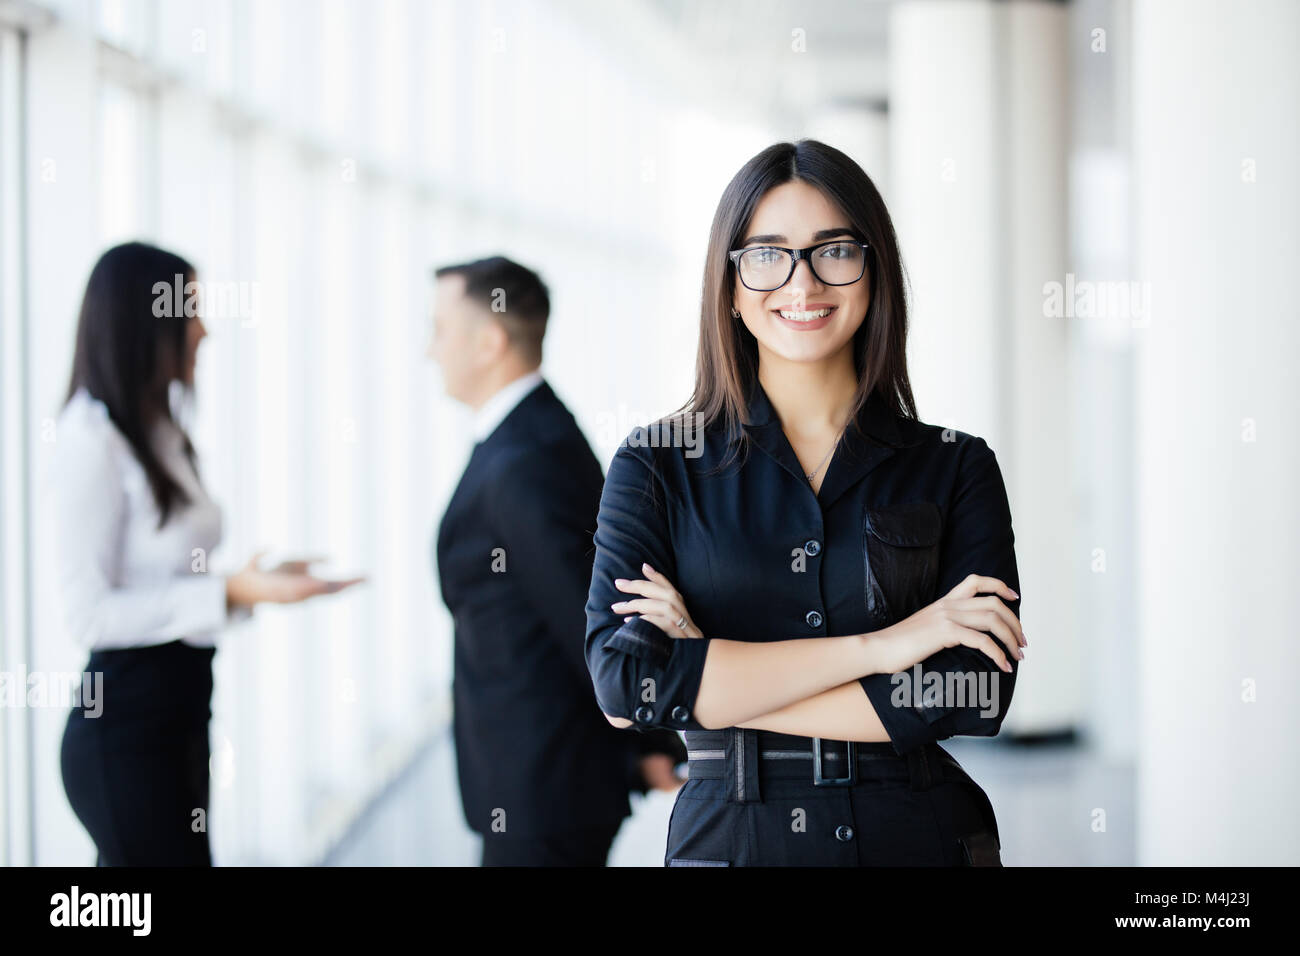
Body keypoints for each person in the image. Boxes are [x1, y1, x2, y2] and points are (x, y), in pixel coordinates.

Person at [585, 139, 1027, 867]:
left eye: (834, 251)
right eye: (767, 255)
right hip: (733, 841)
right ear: (729, 286)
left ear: (873, 270)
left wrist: (706, 675)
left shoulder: (955, 465)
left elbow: (972, 691)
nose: (802, 283)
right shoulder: (658, 462)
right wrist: (887, 648)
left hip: (918, 841)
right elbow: (626, 686)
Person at [52, 241, 363, 866]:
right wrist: (230, 592)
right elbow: (89, 616)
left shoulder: (159, 429)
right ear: (145, 321)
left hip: (181, 712)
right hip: (125, 728)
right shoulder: (90, 442)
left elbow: (162, 577)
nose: (204, 331)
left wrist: (252, 583)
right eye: (190, 310)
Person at [428, 255, 688, 866]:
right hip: (539, 778)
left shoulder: (527, 458)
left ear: (490, 340)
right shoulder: (526, 435)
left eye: (438, 330)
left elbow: (585, 618)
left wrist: (648, 740)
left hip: (544, 785)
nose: (429, 350)